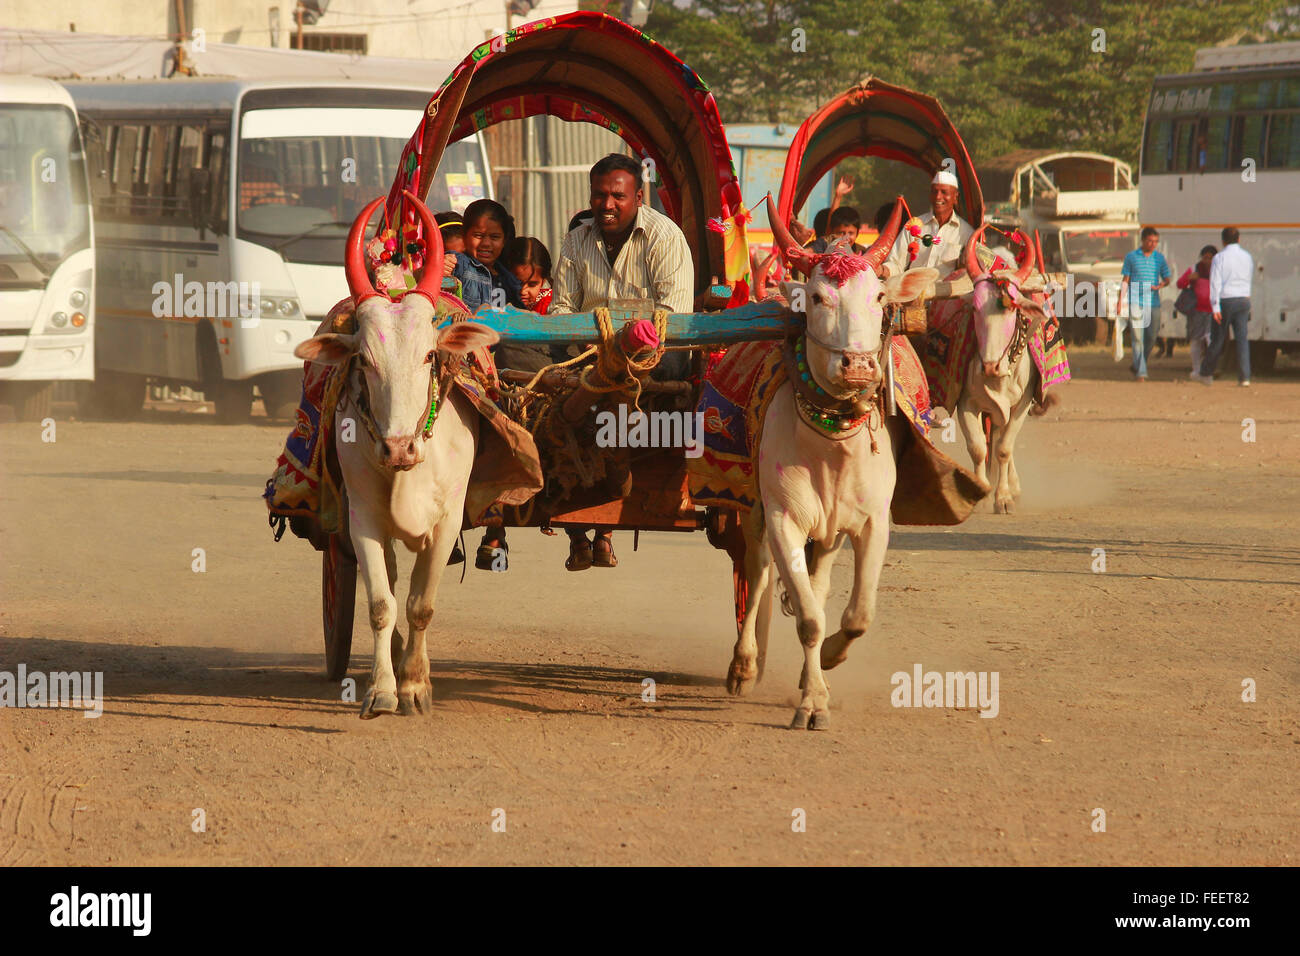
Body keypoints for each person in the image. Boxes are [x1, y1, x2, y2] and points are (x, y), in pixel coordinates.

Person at [550, 152, 694, 572]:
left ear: (638, 196)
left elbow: (673, 315)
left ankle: (611, 450)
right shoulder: (578, 238)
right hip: (587, 355)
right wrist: (591, 352)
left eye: (618, 195)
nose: (607, 204)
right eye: (599, 195)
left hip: (652, 358)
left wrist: (626, 351)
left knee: (658, 370)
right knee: (520, 359)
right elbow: (561, 310)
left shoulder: (665, 238)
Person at [882, 169, 975, 279]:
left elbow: (966, 274)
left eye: (944, 192)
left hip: (947, 295)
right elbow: (896, 263)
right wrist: (882, 270)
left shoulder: (967, 233)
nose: (938, 197)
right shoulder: (914, 225)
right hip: (911, 292)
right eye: (934, 192)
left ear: (955, 197)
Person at [1196, 227, 1254, 387]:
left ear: (1223, 241)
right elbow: (1248, 278)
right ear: (1239, 239)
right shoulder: (1247, 257)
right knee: (1242, 339)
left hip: (1226, 300)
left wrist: (1215, 307)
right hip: (1243, 299)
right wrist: (1247, 297)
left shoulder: (1219, 258)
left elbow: (1215, 282)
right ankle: (1244, 377)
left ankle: (1206, 373)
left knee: (1218, 339)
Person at [441, 198, 523, 311]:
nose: (486, 244)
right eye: (478, 235)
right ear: (464, 235)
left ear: (504, 240)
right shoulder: (458, 263)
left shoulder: (509, 281)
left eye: (495, 237)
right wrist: (439, 267)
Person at [1119, 226, 1172, 382]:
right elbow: (1125, 280)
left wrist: (1161, 285)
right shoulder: (1131, 257)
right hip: (1135, 301)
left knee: (1151, 336)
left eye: (1155, 241)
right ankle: (1141, 372)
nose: (1152, 244)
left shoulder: (1159, 258)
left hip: (1153, 303)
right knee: (1137, 338)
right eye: (1150, 241)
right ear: (1143, 240)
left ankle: (1139, 363)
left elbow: (1167, 278)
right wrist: (1120, 301)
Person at [1178, 245, 1216, 382]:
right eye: (1205, 258)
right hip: (1197, 312)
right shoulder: (1194, 269)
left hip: (1213, 311)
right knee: (1196, 341)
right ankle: (1196, 370)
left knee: (1211, 340)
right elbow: (1179, 284)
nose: (1207, 261)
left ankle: (1209, 369)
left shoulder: (1219, 271)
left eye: (1210, 258)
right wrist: (1190, 278)